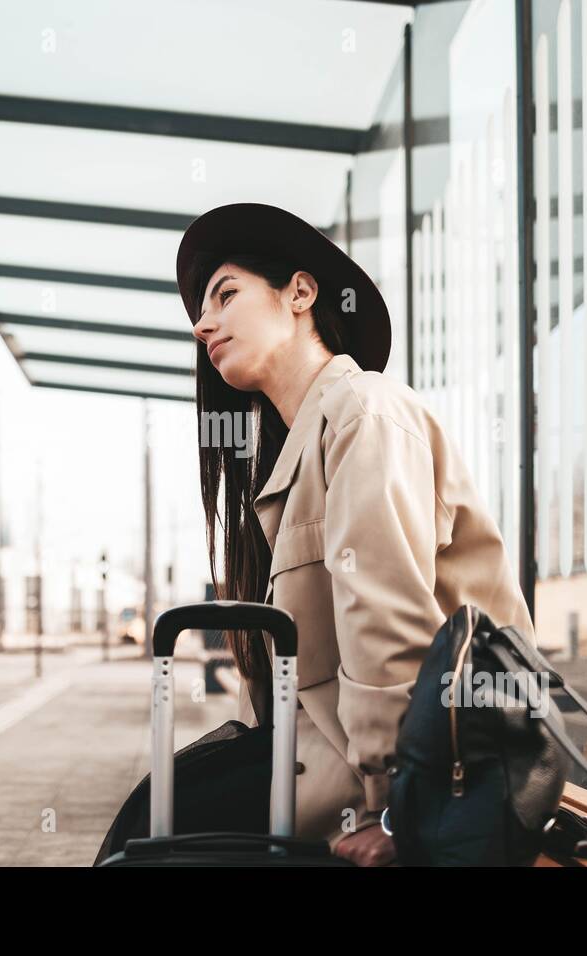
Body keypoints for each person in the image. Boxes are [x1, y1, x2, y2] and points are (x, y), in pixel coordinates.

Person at [175, 203, 537, 867]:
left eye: (226, 295)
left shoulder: (364, 412)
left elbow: (388, 623)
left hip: (420, 790)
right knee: (154, 821)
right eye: (202, 311)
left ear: (301, 293)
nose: (204, 324)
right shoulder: (295, 456)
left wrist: (397, 813)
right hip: (321, 779)